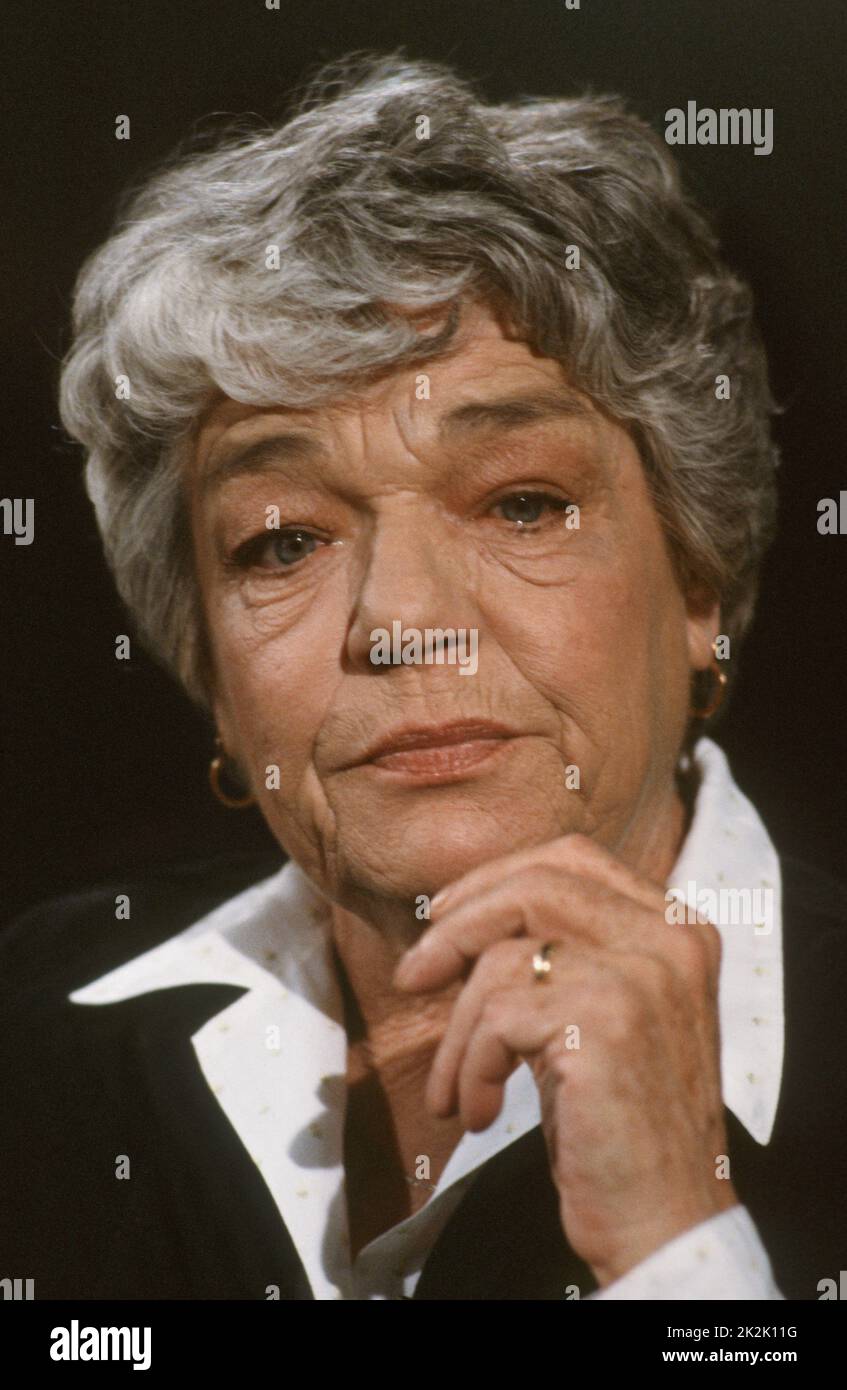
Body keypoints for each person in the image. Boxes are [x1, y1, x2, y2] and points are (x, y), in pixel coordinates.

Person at [3, 51, 846, 1301]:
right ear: (207, 662)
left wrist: (680, 1245)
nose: (401, 623)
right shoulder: (30, 1030)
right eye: (283, 539)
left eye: (521, 503)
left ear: (697, 585)